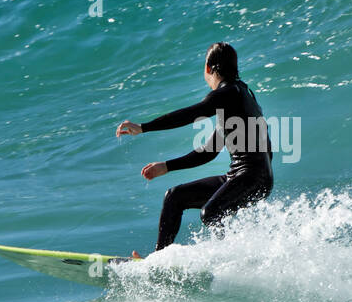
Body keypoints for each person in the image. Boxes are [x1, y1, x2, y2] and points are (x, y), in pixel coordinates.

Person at [116, 42, 273, 255]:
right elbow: (209, 151)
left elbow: (191, 114)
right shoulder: (240, 96)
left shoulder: (228, 93)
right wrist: (166, 166)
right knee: (175, 196)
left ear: (209, 68)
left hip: (251, 175)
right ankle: (159, 261)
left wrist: (144, 127)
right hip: (250, 175)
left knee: (210, 212)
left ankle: (230, 258)